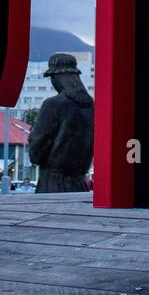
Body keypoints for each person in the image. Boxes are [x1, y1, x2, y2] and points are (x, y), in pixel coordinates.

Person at [28, 53, 94, 193]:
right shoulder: (91, 106)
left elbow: (36, 154)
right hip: (80, 185)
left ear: (57, 78)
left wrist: (33, 135)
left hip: (52, 184)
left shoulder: (52, 105)